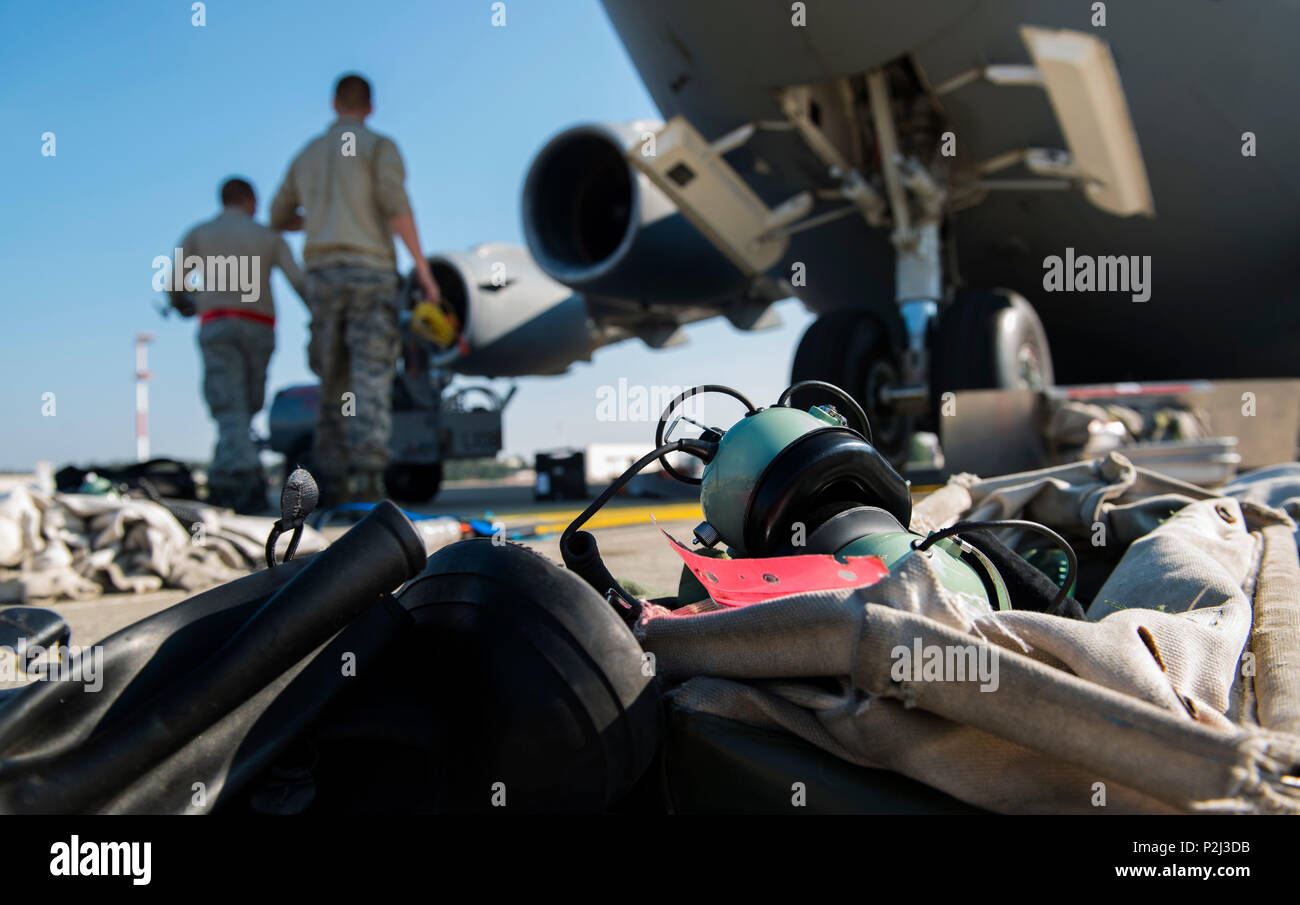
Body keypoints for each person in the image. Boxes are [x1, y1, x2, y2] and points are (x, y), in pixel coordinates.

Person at [270, 73, 441, 504]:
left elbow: (277, 216)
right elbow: (395, 205)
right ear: (370, 107)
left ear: (333, 105)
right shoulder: (378, 147)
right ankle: (366, 480)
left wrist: (320, 218)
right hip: (370, 274)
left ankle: (328, 483)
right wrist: (423, 269)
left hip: (323, 278)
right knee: (370, 379)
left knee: (332, 380)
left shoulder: (307, 155)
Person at [170, 178, 306, 513]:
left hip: (217, 324)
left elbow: (175, 284)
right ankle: (236, 472)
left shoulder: (198, 234)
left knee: (230, 407)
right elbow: (300, 282)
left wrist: (185, 304)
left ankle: (237, 480)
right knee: (246, 406)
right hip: (260, 327)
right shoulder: (269, 236)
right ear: (251, 202)